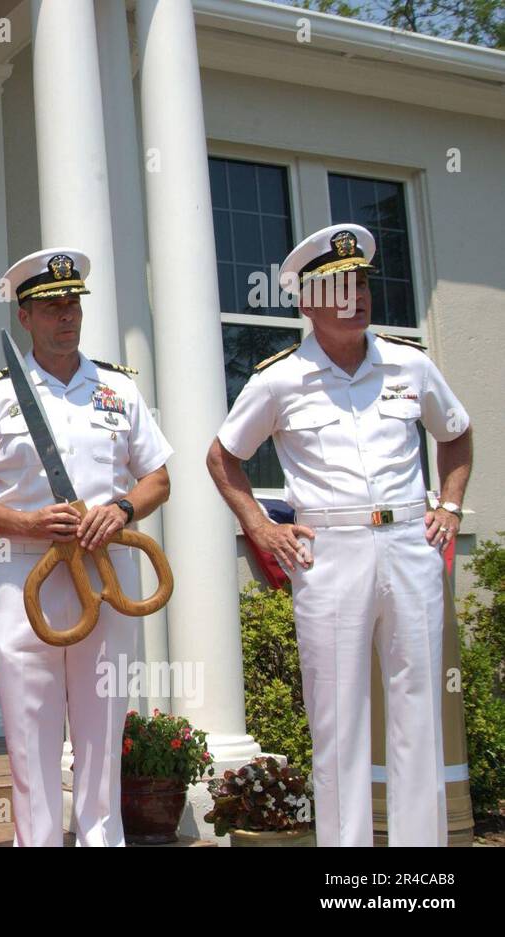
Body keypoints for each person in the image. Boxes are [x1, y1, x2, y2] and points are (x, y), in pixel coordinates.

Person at [206, 223, 473, 847]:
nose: (354, 296)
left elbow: (456, 433)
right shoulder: (280, 378)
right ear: (305, 303)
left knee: (418, 708)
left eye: (360, 283)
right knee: (338, 718)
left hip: (410, 542)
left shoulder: (412, 364)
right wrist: (258, 526)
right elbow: (223, 457)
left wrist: (452, 506)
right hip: (328, 554)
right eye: (335, 286)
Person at [0, 248, 173, 846]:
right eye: (50, 305)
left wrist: (120, 509)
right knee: (30, 736)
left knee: (102, 738)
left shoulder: (118, 389)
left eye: (72, 303)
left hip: (107, 573)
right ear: (25, 316)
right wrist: (27, 523)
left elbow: (157, 478)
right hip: (26, 580)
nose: (65, 315)